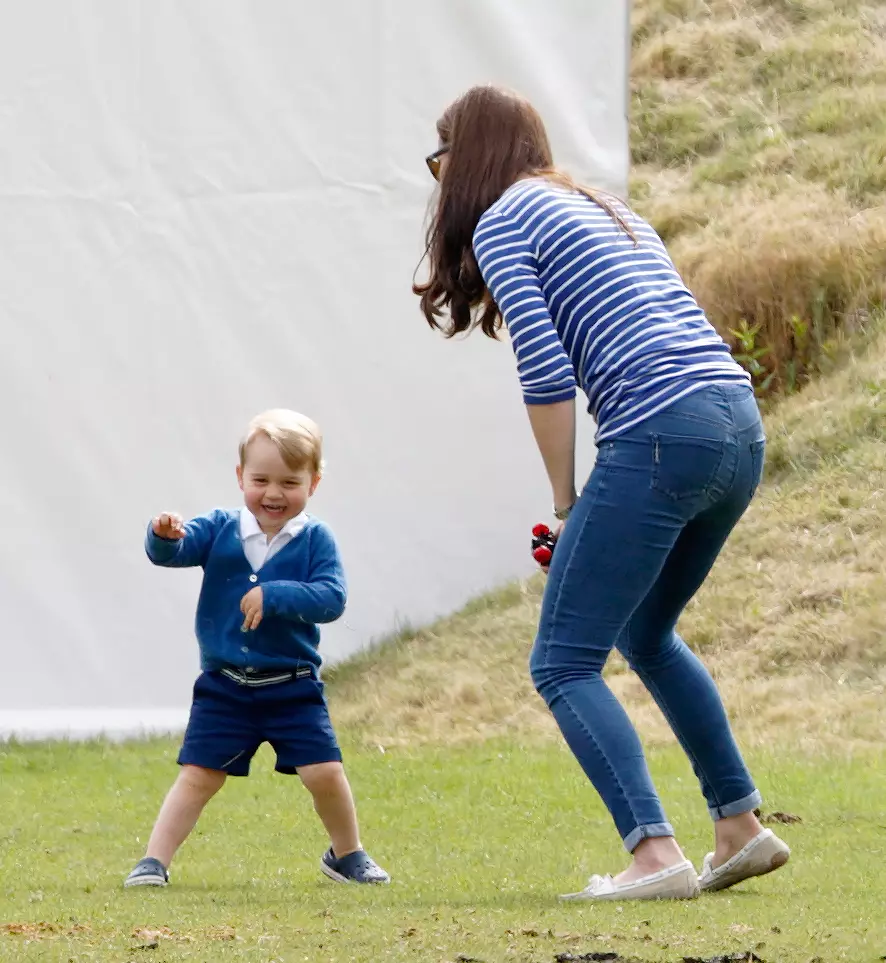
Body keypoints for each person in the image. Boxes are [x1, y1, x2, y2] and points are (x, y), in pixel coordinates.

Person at [413, 85, 790, 901]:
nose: (439, 179)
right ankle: (740, 825)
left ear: (470, 155)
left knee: (561, 661)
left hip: (661, 430)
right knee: (647, 631)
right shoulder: (606, 208)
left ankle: (654, 854)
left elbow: (545, 372)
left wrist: (565, 499)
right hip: (737, 422)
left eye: (441, 159)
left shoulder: (505, 218)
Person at [124, 409, 389, 888]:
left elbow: (332, 598)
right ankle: (154, 861)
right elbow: (174, 553)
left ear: (314, 483)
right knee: (199, 774)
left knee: (325, 772)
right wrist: (162, 537)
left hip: (292, 686)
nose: (273, 493)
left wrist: (277, 594)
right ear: (240, 476)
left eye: (290, 482)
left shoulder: (316, 539)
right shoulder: (220, 528)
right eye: (261, 479)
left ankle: (346, 854)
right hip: (225, 687)